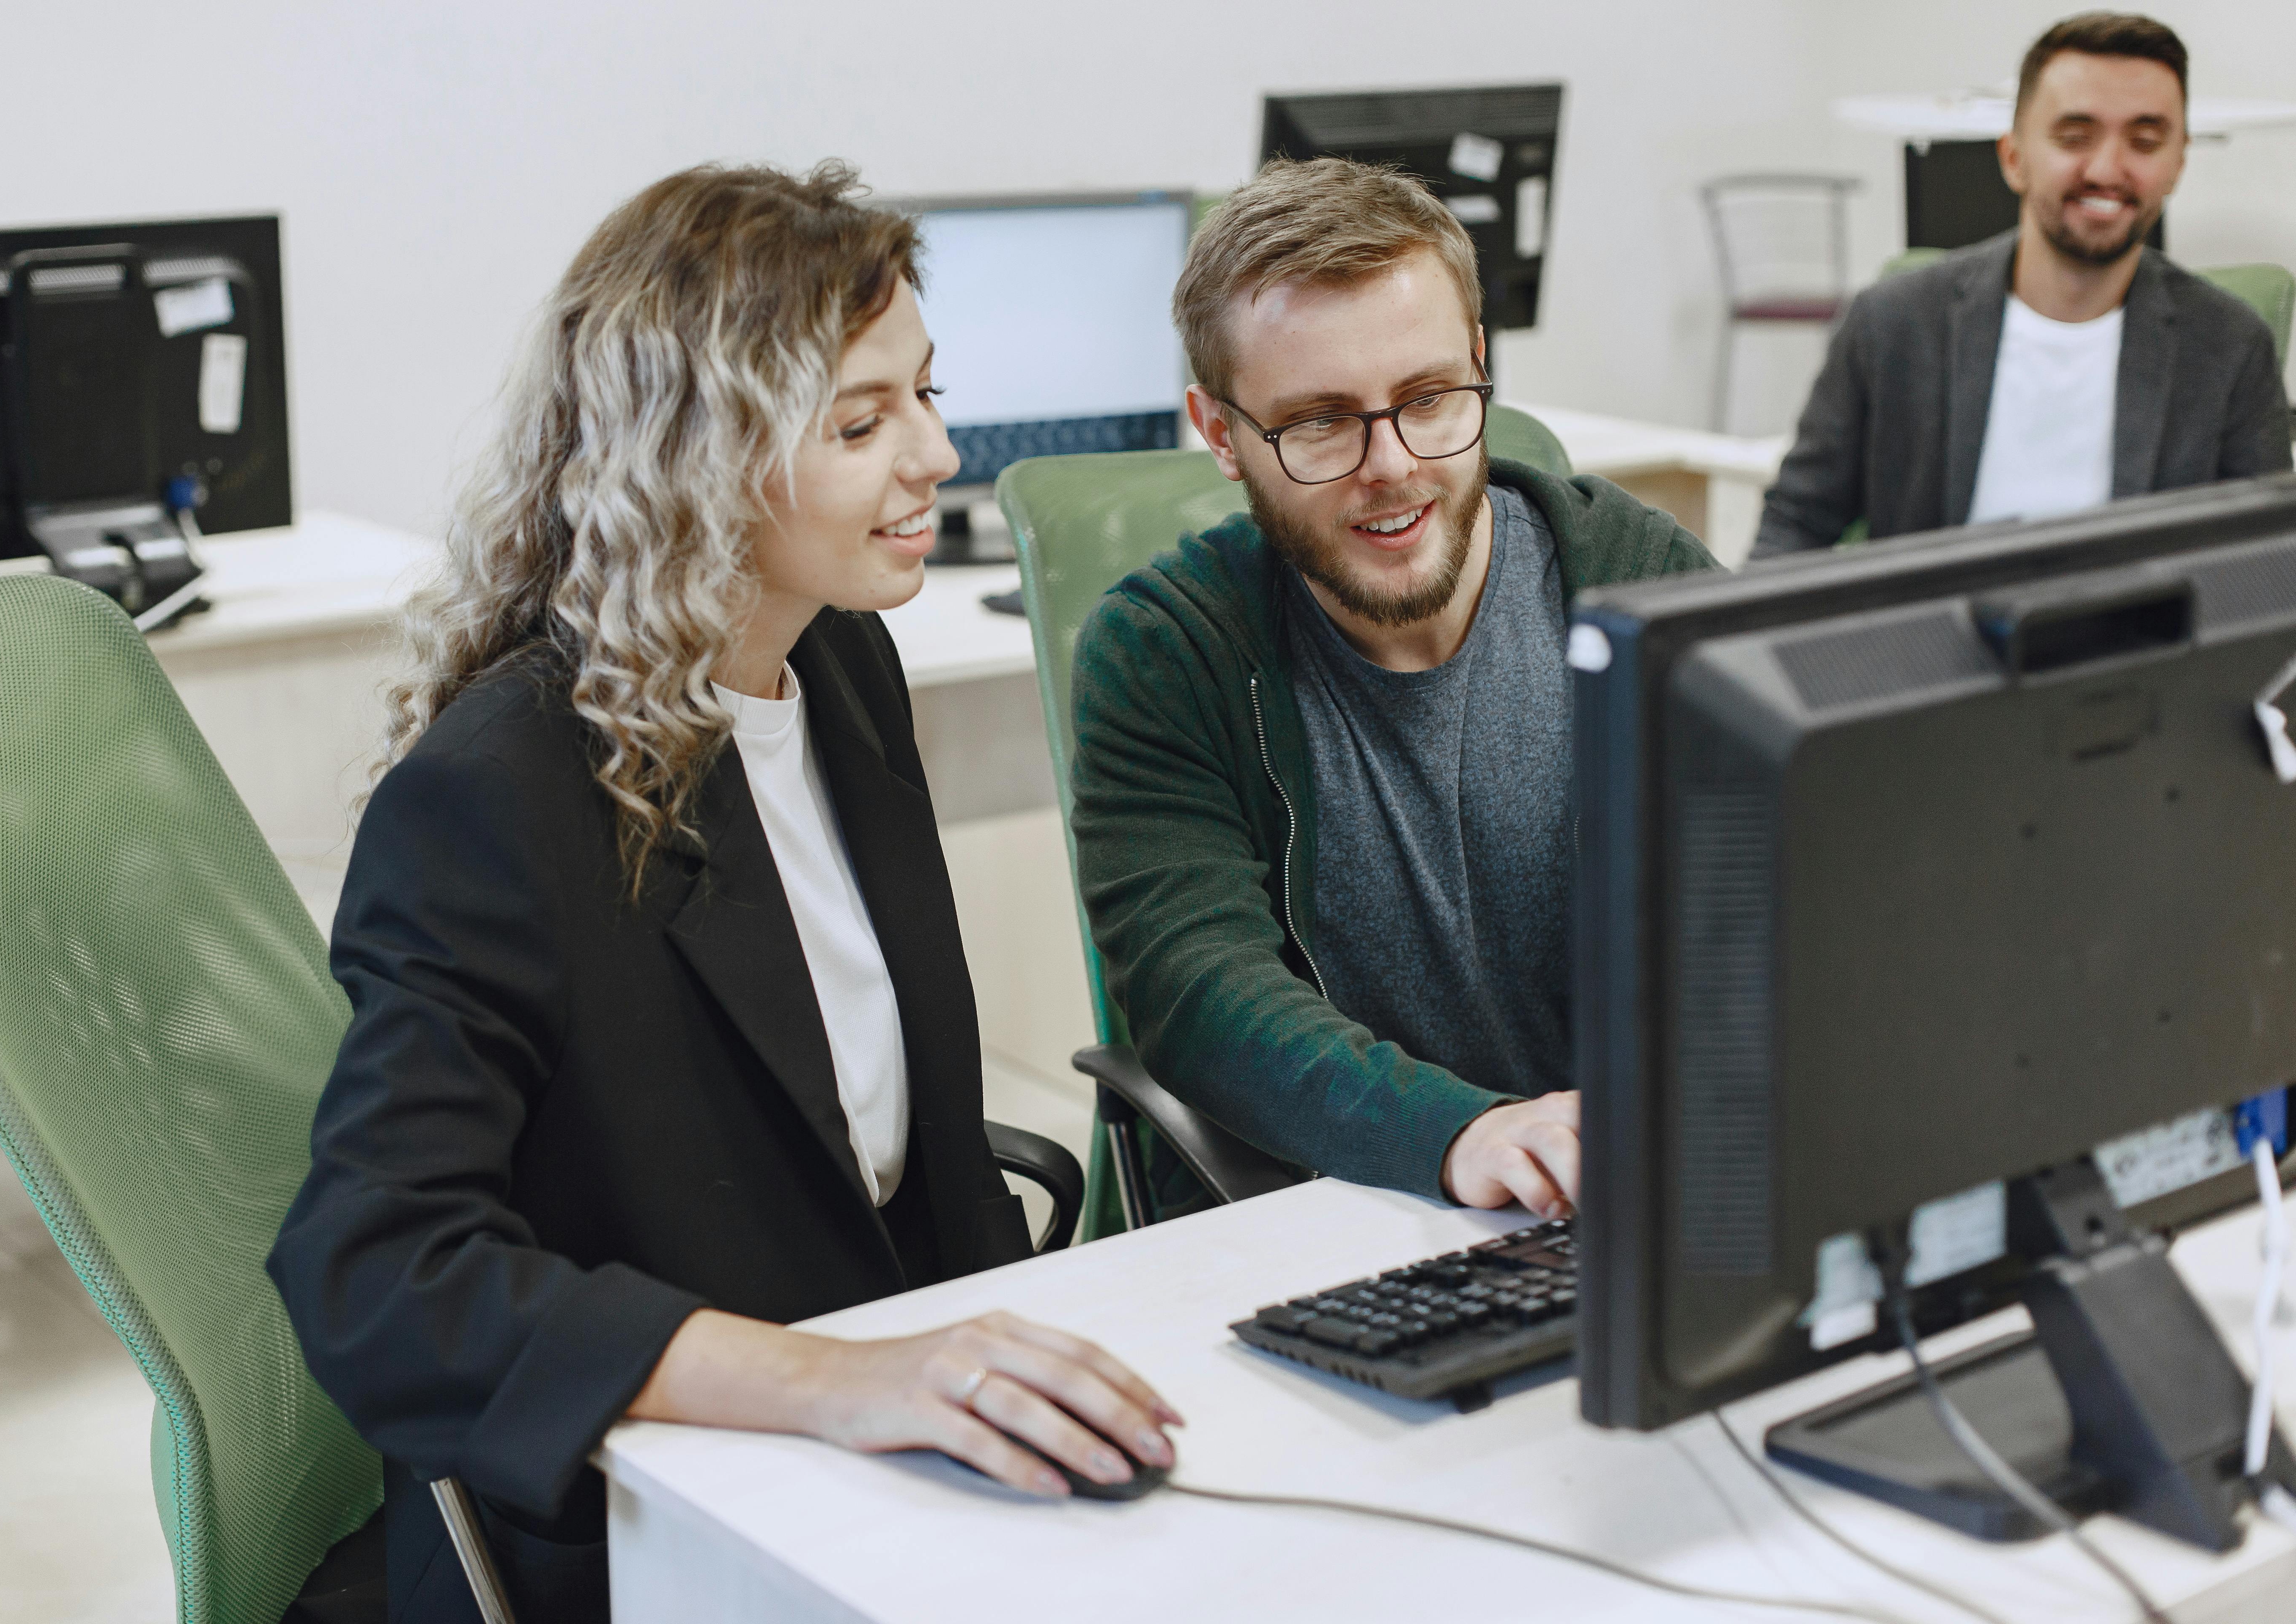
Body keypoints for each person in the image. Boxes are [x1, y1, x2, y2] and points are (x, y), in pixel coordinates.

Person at [267, 164, 1177, 1624]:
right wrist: (837, 1382)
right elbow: (376, 1274)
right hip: (648, 1530)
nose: (939, 455)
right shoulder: (497, 796)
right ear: (698, 464)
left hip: (883, 1482)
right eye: (862, 425)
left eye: (927, 395)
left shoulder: (840, 662)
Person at [1068, 158, 1715, 1225]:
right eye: (1321, 422)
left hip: (1619, 1196)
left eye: (1428, 399)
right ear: (1221, 433)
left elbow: (1788, 886)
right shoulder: (1167, 651)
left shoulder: (1632, 579)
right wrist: (1460, 1135)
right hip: (1335, 1209)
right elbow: (1199, 992)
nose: (1393, 465)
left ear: (1480, 366)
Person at [1754, 11, 2291, 558]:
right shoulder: (1893, 324)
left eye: (2146, 141)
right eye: (2075, 137)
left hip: (2143, 617)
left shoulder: (2230, 345)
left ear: (2178, 163)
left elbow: (2266, 563)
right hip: (1933, 615)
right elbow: (1796, 523)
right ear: (2014, 158)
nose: (2107, 170)